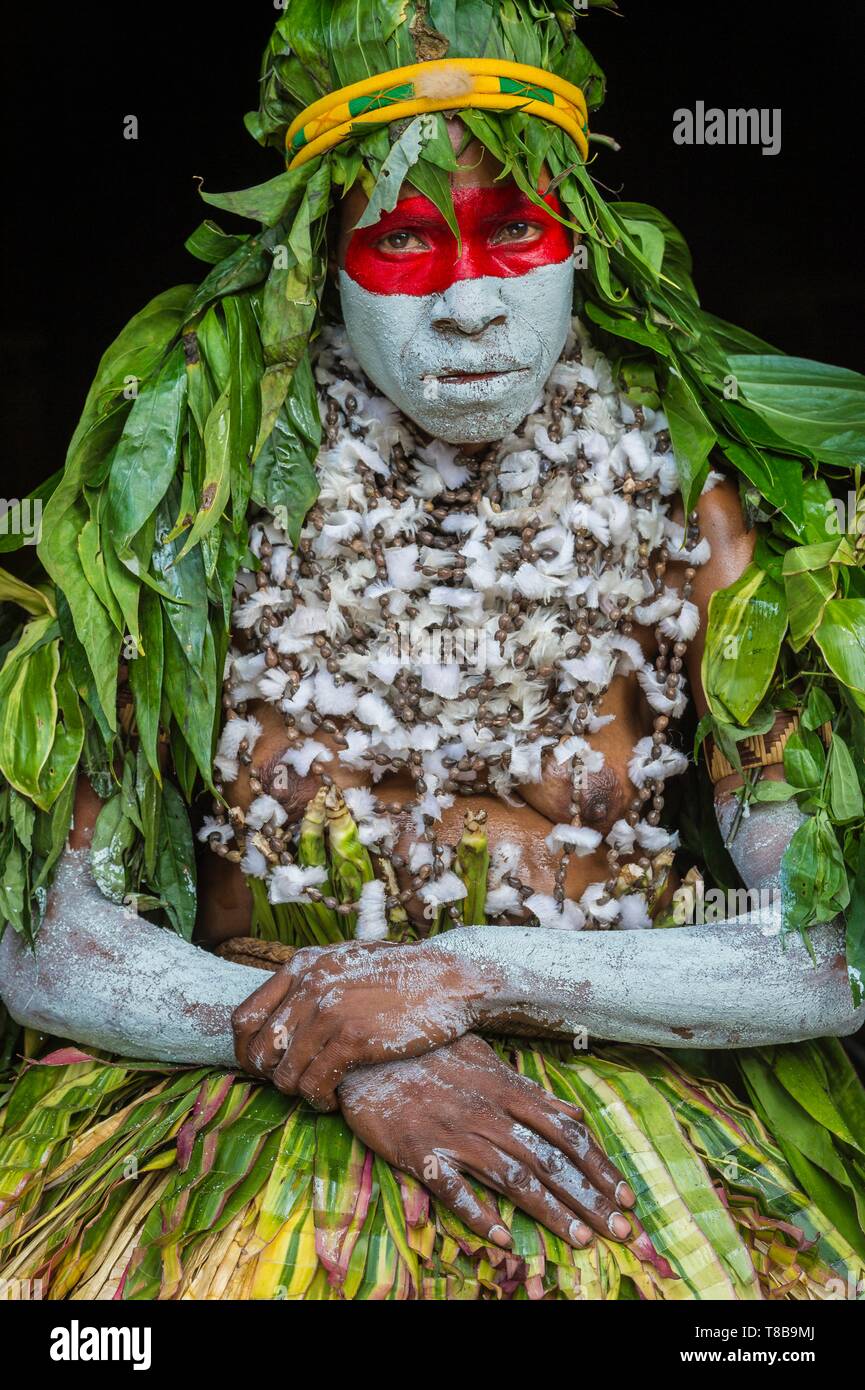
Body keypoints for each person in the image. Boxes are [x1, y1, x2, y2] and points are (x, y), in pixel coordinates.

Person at [1, 3, 863, 1301]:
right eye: (404, 240)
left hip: (600, 1139)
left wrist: (464, 977)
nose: (469, 306)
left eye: (511, 229)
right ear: (320, 265)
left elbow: (826, 951)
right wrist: (340, 1046)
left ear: (579, 238)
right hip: (234, 1117)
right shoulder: (184, 498)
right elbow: (42, 934)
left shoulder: (693, 505)